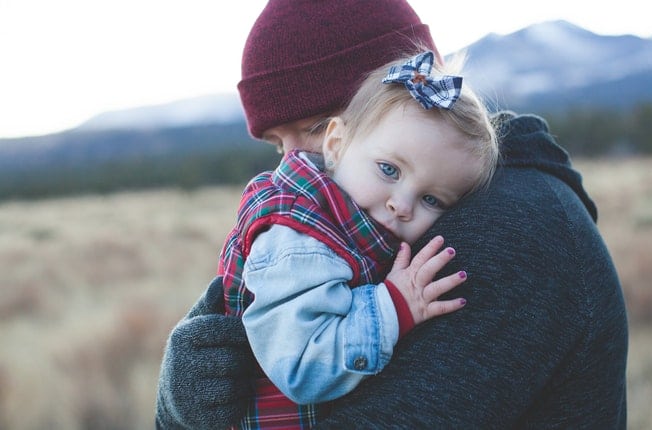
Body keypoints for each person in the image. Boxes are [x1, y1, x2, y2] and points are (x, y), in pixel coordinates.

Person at [155, 0, 628, 429]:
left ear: (408, 92)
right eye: (279, 143)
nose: (291, 164)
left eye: (315, 128)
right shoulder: (366, 223)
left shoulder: (510, 230)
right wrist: (179, 401)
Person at [218, 50, 498, 428]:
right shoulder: (299, 239)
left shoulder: (350, 221)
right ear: (336, 144)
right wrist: (393, 305)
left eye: (431, 199)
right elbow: (301, 366)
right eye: (388, 170)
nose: (401, 205)